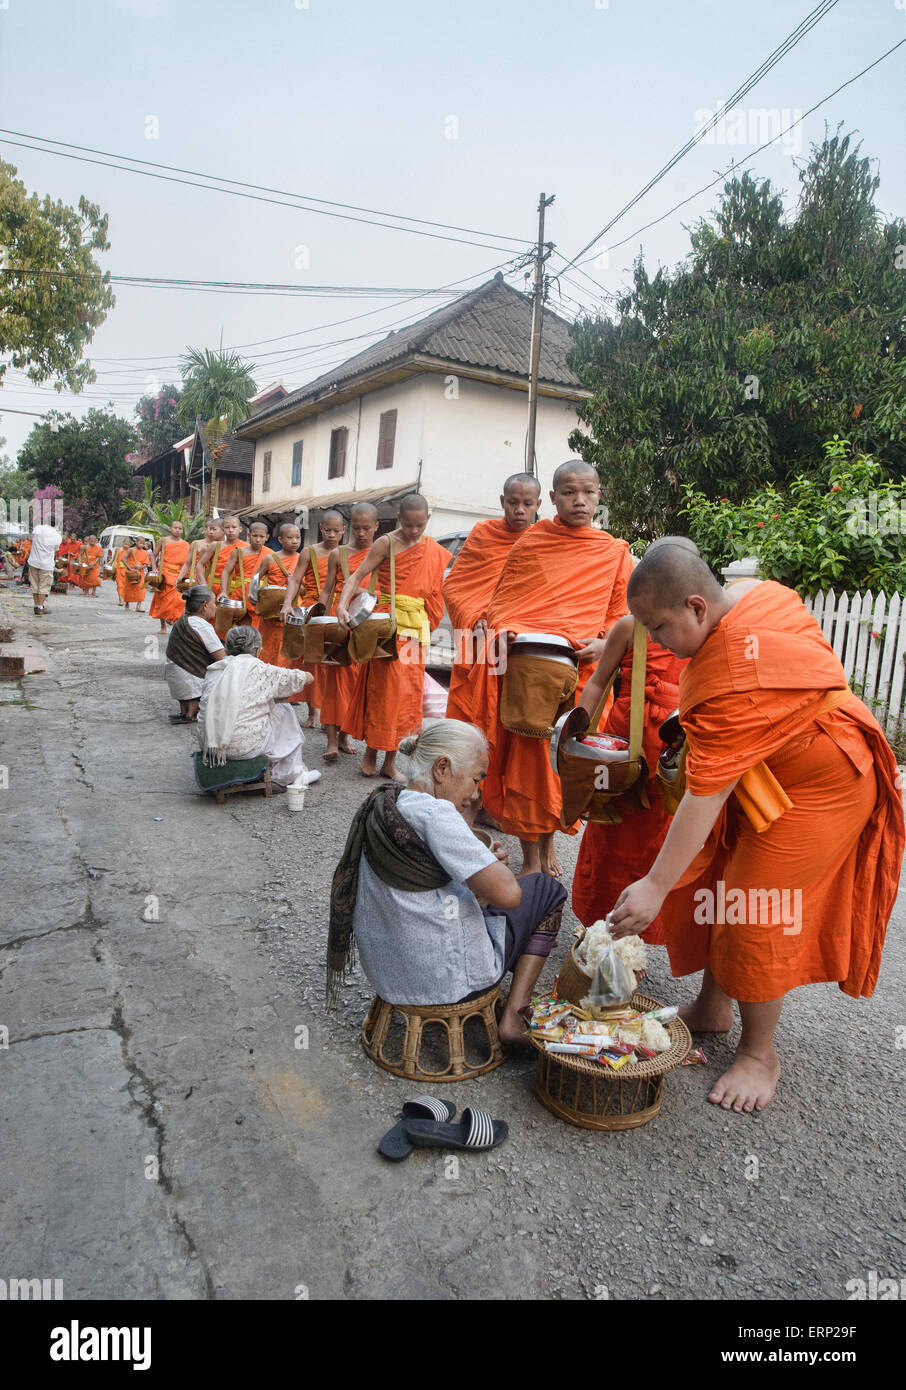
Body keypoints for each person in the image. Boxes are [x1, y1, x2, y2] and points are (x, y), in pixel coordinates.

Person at [609, 546, 906, 1114]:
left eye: (660, 627)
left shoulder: (731, 674)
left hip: (827, 787)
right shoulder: (756, 595)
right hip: (769, 773)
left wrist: (653, 885)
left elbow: (706, 792)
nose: (657, 642)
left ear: (697, 606)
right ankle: (715, 1010)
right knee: (719, 879)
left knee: (754, 907)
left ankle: (759, 1053)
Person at [327, 719, 567, 1045]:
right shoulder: (436, 813)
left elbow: (433, 868)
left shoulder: (387, 800)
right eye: (475, 779)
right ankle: (514, 1017)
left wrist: (479, 864)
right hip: (440, 979)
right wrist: (489, 871)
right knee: (545, 889)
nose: (475, 793)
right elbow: (509, 894)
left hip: (388, 974)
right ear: (442, 768)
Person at [483, 460, 633, 876]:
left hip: (586, 676)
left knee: (564, 762)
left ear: (599, 496)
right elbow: (502, 606)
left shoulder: (612, 551)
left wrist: (604, 644)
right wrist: (505, 634)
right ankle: (531, 857)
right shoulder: (532, 543)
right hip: (532, 669)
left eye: (587, 492)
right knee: (530, 761)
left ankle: (548, 844)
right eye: (568, 493)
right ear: (552, 499)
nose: (578, 500)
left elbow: (622, 614)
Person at [336, 494, 448, 783]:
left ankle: (390, 761)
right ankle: (370, 755)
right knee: (384, 693)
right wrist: (341, 605)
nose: (414, 531)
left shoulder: (431, 548)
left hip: (415, 630)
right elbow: (357, 575)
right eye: (409, 524)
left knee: (408, 698)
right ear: (399, 517)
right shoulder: (385, 542)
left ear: (428, 520)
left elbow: (436, 590)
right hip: (387, 627)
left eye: (419, 525)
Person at [443, 473, 542, 731]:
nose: (519, 510)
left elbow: (543, 595)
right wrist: (476, 616)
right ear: (502, 501)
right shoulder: (483, 533)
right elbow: (455, 585)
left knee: (505, 710)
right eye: (513, 502)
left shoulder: (541, 542)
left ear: (539, 505)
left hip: (516, 640)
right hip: (478, 634)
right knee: (469, 705)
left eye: (527, 504)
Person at [198, 625, 320, 788]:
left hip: (209, 744)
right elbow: (307, 678)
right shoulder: (261, 669)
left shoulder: (214, 670)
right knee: (284, 710)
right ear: (256, 650)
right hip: (244, 748)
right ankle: (288, 773)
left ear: (227, 649)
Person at [317, 501, 381, 760]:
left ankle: (344, 736)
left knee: (356, 684)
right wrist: (319, 612)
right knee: (334, 683)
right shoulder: (338, 554)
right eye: (357, 528)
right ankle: (331, 741)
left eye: (367, 528)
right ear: (349, 527)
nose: (362, 533)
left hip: (368, 621)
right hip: (339, 620)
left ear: (377, 526)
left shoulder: (385, 553)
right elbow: (328, 588)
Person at [279, 509, 345, 723]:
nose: (332, 535)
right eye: (328, 530)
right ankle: (311, 713)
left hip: (337, 610)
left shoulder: (347, 553)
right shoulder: (310, 552)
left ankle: (331, 718)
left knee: (334, 664)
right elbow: (295, 580)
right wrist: (287, 604)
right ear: (321, 528)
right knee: (310, 662)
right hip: (312, 610)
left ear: (344, 530)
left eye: (336, 531)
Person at [164, 586, 225, 723]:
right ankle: (193, 710)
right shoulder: (201, 625)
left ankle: (186, 710)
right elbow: (222, 658)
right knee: (230, 666)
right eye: (213, 603)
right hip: (191, 681)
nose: (215, 607)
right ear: (204, 605)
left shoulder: (184, 619)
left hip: (178, 681)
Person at [219, 521, 273, 626]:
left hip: (259, 596)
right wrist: (223, 591)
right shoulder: (239, 552)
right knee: (235, 626)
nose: (258, 540)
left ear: (267, 537)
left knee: (256, 627)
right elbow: (226, 572)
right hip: (240, 594)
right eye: (254, 536)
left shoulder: (271, 554)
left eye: (261, 536)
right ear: (249, 535)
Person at [149, 521, 190, 633]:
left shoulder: (186, 544)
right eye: (175, 528)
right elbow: (153, 555)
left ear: (182, 530)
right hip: (164, 574)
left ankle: (175, 621)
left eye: (180, 528)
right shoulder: (163, 541)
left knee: (178, 601)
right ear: (170, 528)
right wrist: (154, 569)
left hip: (178, 575)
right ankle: (163, 627)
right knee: (162, 601)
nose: (177, 530)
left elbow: (188, 562)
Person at [176, 517, 225, 591]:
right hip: (198, 577)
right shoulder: (198, 545)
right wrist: (179, 579)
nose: (211, 532)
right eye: (210, 529)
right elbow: (188, 563)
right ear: (205, 529)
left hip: (218, 580)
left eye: (214, 529)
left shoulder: (228, 547)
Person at [26, 519, 63, 615]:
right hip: (46, 564)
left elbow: (31, 538)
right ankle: (40, 607)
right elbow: (55, 549)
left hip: (33, 561)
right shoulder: (57, 536)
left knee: (34, 584)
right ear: (56, 524)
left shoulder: (38, 528)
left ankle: (36, 605)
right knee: (43, 586)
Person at [122, 538, 151, 612]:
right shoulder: (131, 550)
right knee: (129, 588)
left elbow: (146, 564)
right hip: (131, 572)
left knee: (141, 589)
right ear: (136, 542)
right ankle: (127, 604)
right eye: (140, 543)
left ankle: (138, 606)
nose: (142, 545)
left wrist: (140, 567)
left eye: (143, 543)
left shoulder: (145, 552)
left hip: (140, 572)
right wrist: (130, 568)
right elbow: (123, 558)